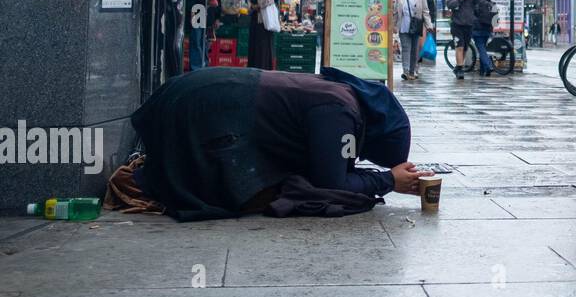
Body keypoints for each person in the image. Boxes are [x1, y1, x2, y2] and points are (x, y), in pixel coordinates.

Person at [117, 65, 423, 220]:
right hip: (201, 107)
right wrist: (387, 180)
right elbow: (330, 181)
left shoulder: (343, 98)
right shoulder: (339, 112)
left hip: (201, 93)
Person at [183, 0, 222, 71]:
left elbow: (219, 1)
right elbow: (190, 0)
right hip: (198, 12)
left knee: (205, 41)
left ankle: (203, 64)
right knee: (197, 40)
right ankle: (197, 67)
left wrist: (217, 17)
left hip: (209, 15)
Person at [396, 0, 432, 81]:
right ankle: (406, 71)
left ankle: (412, 71)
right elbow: (395, 12)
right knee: (406, 48)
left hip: (416, 25)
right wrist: (393, 26)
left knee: (414, 49)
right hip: (403, 25)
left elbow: (425, 11)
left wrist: (429, 25)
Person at [445, 0, 477, 80]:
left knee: (465, 48)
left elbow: (481, 3)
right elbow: (449, 5)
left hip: (469, 25)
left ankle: (459, 67)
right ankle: (460, 69)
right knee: (459, 47)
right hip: (457, 25)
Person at [248, 0, 276, 70]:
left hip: (264, 21)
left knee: (263, 45)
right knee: (254, 44)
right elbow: (250, 2)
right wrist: (252, 6)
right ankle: (254, 65)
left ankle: (263, 66)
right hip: (255, 19)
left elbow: (270, 1)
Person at [471, 0, 496, 76]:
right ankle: (483, 71)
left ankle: (489, 65)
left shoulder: (475, 0)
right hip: (488, 27)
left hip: (477, 28)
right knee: (483, 49)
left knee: (481, 48)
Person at [416, 0, 437, 76]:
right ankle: (413, 64)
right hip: (413, 20)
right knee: (414, 44)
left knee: (421, 44)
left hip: (423, 21)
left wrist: (431, 22)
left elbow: (431, 7)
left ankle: (417, 64)